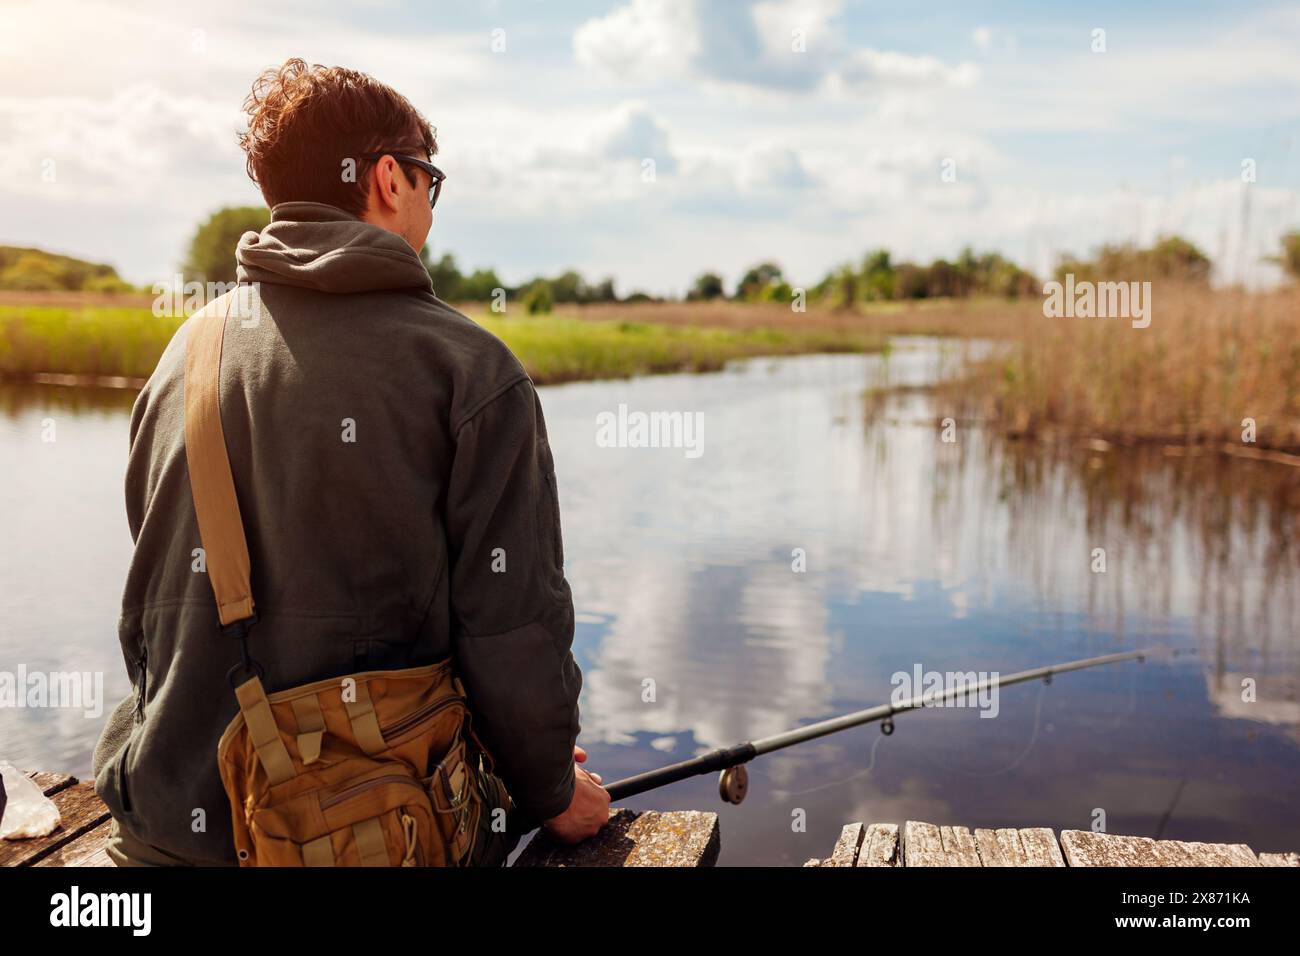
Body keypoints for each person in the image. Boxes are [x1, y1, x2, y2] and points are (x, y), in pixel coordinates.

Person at [91, 58, 610, 866]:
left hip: (162, 832)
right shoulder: (471, 370)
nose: (431, 210)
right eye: (430, 183)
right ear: (390, 178)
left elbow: (150, 621)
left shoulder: (182, 357)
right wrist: (547, 788)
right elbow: (513, 632)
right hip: (365, 839)